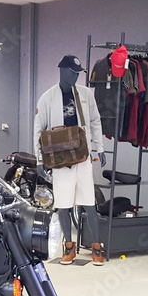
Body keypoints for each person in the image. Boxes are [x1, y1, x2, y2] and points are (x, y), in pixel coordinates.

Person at [34, 55, 107, 265]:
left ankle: (96, 247)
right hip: (59, 159)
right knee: (63, 204)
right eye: (73, 72)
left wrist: (99, 148)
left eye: (78, 73)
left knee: (89, 202)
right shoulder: (47, 97)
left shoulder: (85, 94)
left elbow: (95, 121)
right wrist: (40, 159)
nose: (76, 76)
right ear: (62, 70)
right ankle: (69, 246)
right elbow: (38, 129)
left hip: (83, 155)